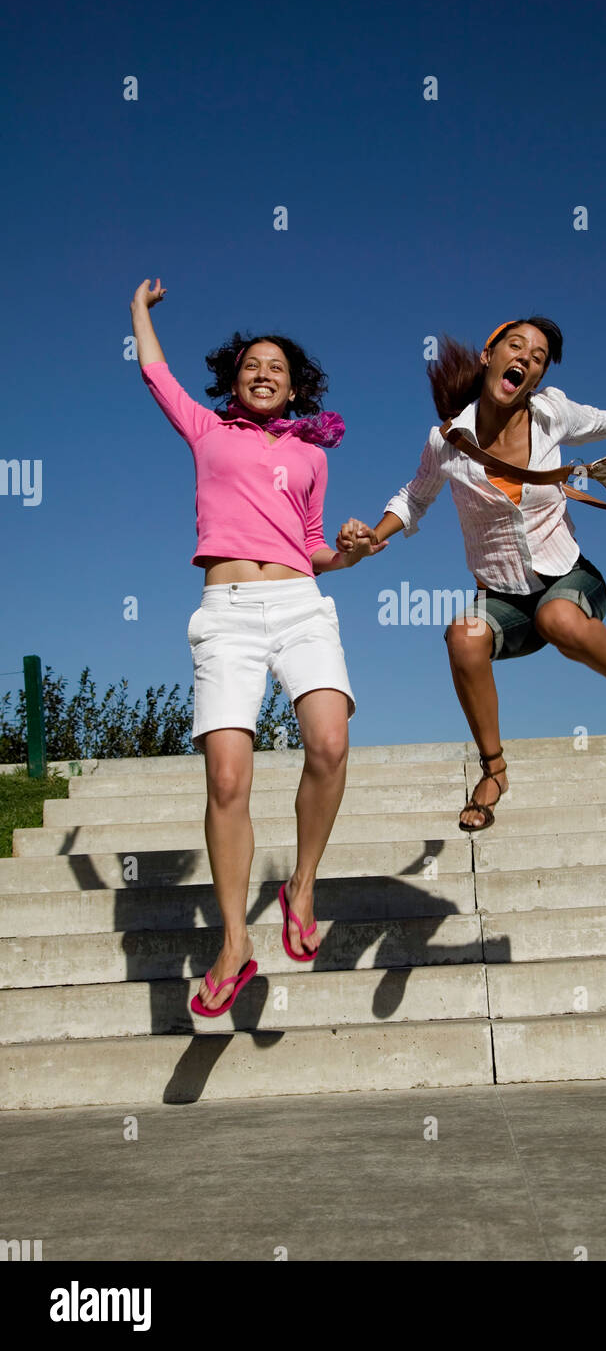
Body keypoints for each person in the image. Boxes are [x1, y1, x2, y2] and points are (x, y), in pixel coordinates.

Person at [130, 277, 383, 1016]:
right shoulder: (208, 432)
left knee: (330, 744)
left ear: (295, 385)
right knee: (228, 781)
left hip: (300, 604)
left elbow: (311, 547)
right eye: (249, 367)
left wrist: (353, 553)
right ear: (233, 383)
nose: (262, 373)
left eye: (275, 366)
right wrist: (140, 313)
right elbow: (155, 374)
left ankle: (301, 884)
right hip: (227, 613)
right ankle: (235, 942)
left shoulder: (311, 457)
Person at [337, 317, 606, 832]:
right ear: (489, 356)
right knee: (462, 636)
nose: (526, 358)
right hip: (504, 596)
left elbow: (600, 422)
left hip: (569, 576)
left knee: (559, 618)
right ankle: (494, 771)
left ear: (538, 377)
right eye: (516, 346)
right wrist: (376, 533)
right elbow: (415, 496)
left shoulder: (551, 415)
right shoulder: (447, 442)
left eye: (539, 357)